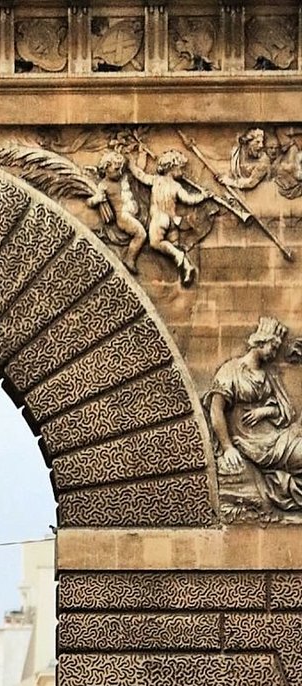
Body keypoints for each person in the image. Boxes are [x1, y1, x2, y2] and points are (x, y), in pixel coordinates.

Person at [203, 316, 302, 515]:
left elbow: (284, 410)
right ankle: (285, 488)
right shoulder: (231, 370)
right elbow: (216, 410)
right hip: (251, 441)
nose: (274, 354)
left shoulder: (269, 375)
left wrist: (265, 410)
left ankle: (286, 487)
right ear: (260, 342)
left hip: (276, 437)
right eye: (272, 348)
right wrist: (227, 447)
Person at [129, 148, 205, 287]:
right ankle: (186, 267)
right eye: (180, 168)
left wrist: (131, 163)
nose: (182, 172)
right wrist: (203, 196)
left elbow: (140, 175)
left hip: (160, 219)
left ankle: (179, 258)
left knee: (156, 243)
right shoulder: (176, 186)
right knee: (174, 246)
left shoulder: (155, 180)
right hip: (173, 221)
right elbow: (189, 199)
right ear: (172, 168)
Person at [88, 150, 147, 274]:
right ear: (106, 168)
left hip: (133, 214)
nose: (119, 172)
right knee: (141, 234)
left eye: (121, 169)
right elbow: (90, 202)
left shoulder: (123, 178)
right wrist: (97, 199)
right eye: (116, 169)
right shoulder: (104, 185)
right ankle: (129, 259)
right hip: (124, 217)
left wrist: (141, 155)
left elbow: (139, 171)